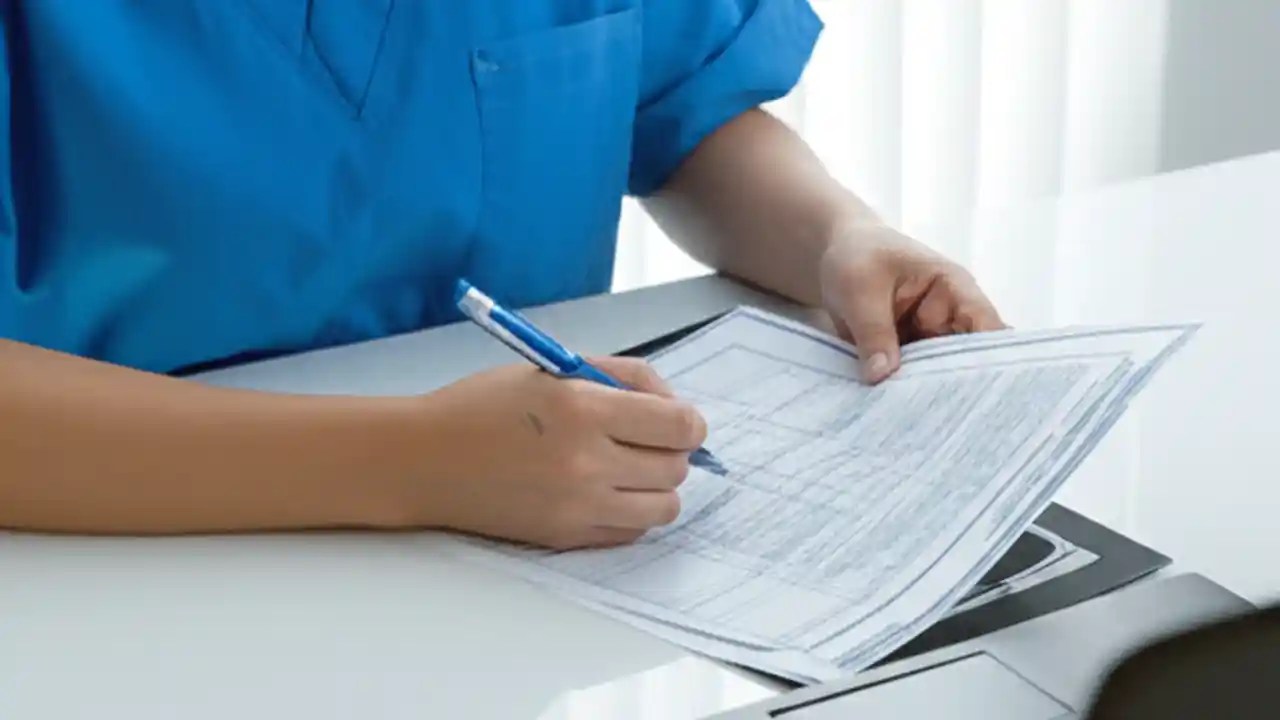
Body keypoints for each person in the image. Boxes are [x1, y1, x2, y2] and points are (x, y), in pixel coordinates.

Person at [0, 1, 1003, 547]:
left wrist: (836, 235)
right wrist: (415, 464)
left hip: (531, 556)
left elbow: (679, 110)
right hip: (120, 555)